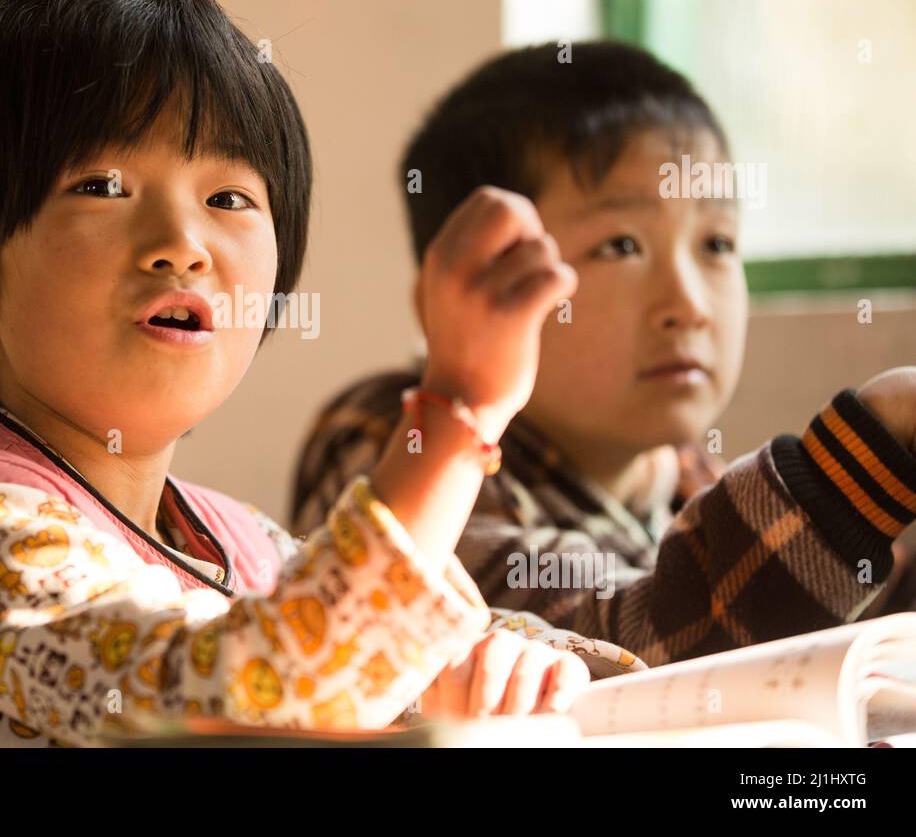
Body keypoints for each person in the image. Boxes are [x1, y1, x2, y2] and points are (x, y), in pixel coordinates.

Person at [0, 0, 631, 748]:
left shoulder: (244, 542)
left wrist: (527, 669)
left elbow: (427, 637)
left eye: (229, 198)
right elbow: (263, 688)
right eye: (101, 187)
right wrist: (459, 412)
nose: (181, 246)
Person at [291, 41, 916, 665]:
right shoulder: (396, 446)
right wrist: (872, 445)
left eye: (718, 243)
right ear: (457, 297)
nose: (689, 303)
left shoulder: (688, 477)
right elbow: (632, 653)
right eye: (620, 246)